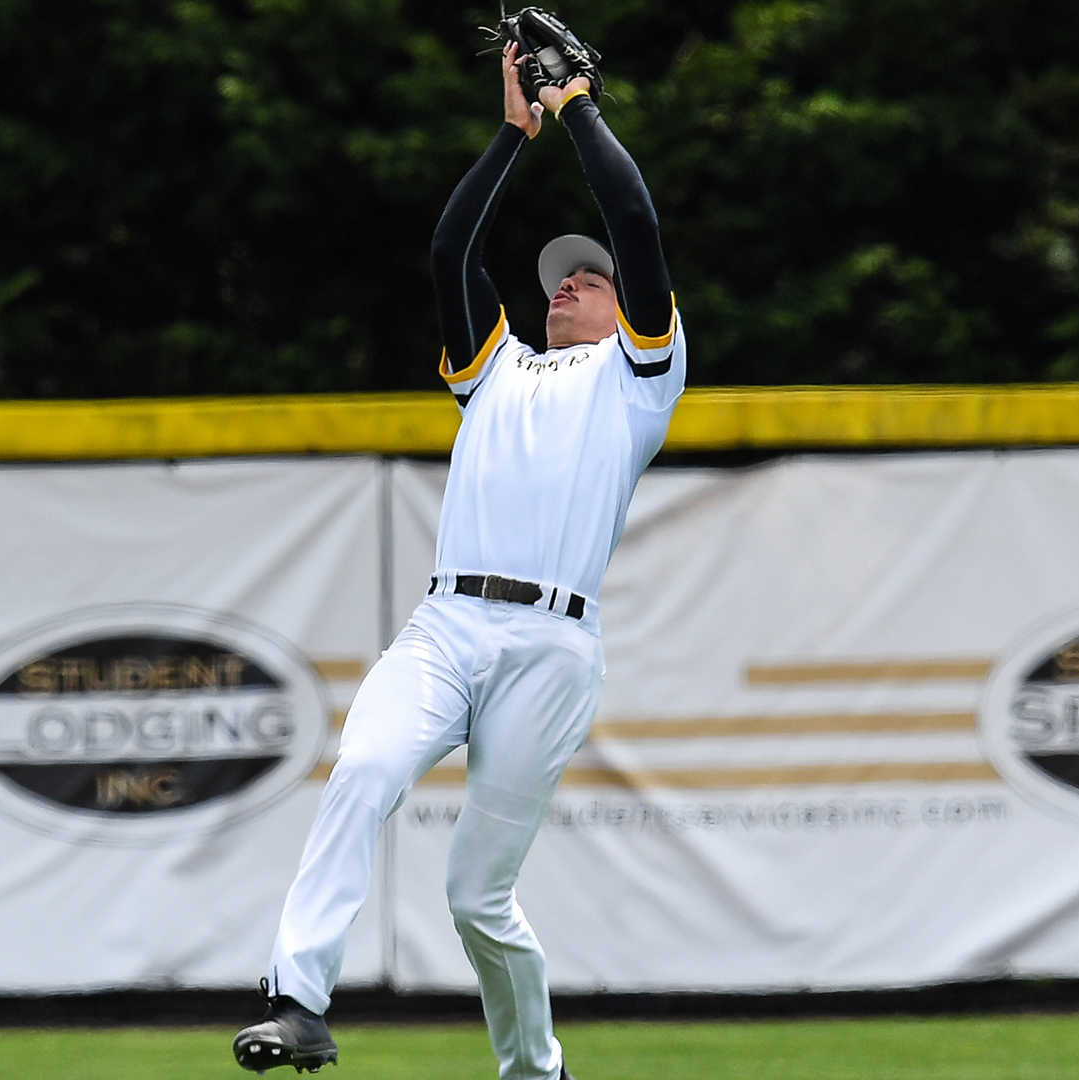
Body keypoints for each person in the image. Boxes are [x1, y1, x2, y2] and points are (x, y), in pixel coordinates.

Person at [233, 40, 684, 1080]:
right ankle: (295, 998)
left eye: (593, 277)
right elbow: (449, 251)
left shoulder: (639, 382)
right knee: (365, 769)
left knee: (477, 896)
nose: (573, 278)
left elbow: (639, 224)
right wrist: (512, 136)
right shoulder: (497, 371)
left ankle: (536, 1070)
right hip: (448, 627)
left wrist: (576, 107)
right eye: (563, 274)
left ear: (631, 310)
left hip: (553, 647)